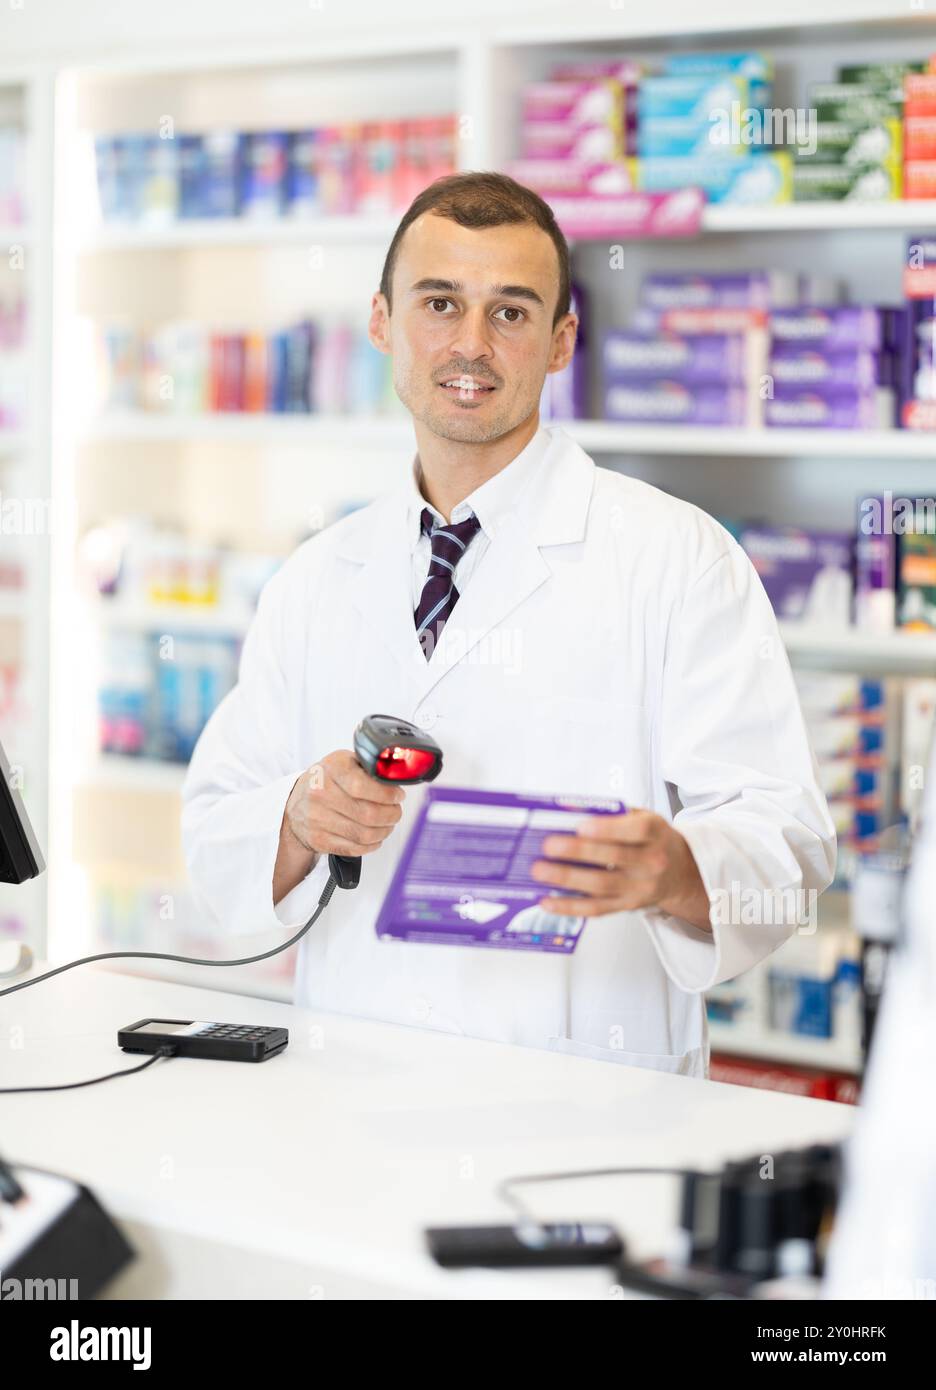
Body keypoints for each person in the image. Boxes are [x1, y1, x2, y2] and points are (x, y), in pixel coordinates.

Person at [181, 171, 835, 1078]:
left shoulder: (680, 558)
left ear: (563, 339)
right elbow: (215, 836)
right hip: (350, 1094)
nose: (472, 345)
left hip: (587, 1103)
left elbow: (788, 851)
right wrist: (298, 818)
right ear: (382, 322)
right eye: (440, 303)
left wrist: (677, 869)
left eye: (513, 312)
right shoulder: (315, 577)